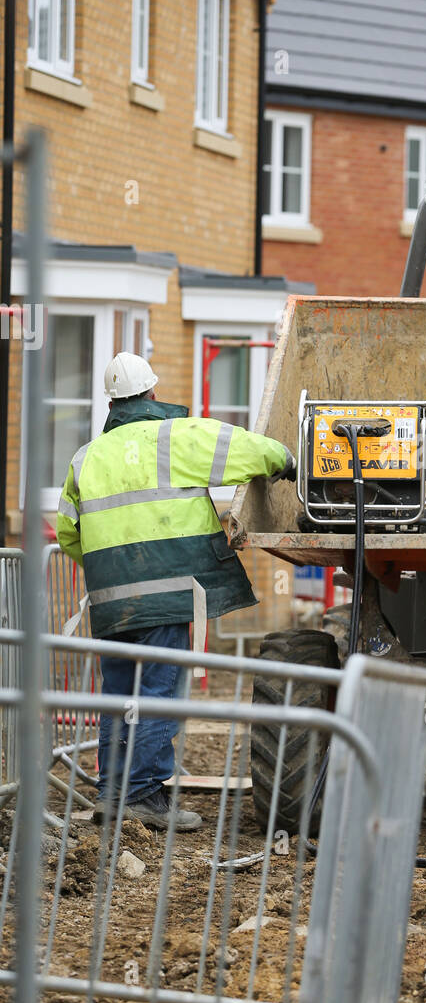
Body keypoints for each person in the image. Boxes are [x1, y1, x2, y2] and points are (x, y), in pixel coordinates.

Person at [55, 351, 295, 831]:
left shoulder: (86, 457)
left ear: (112, 402)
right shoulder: (177, 436)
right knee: (160, 692)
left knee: (120, 695)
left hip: (111, 603)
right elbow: (249, 449)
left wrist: (112, 571)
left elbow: (67, 531)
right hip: (167, 595)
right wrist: (285, 460)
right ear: (152, 392)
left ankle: (112, 794)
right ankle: (142, 795)